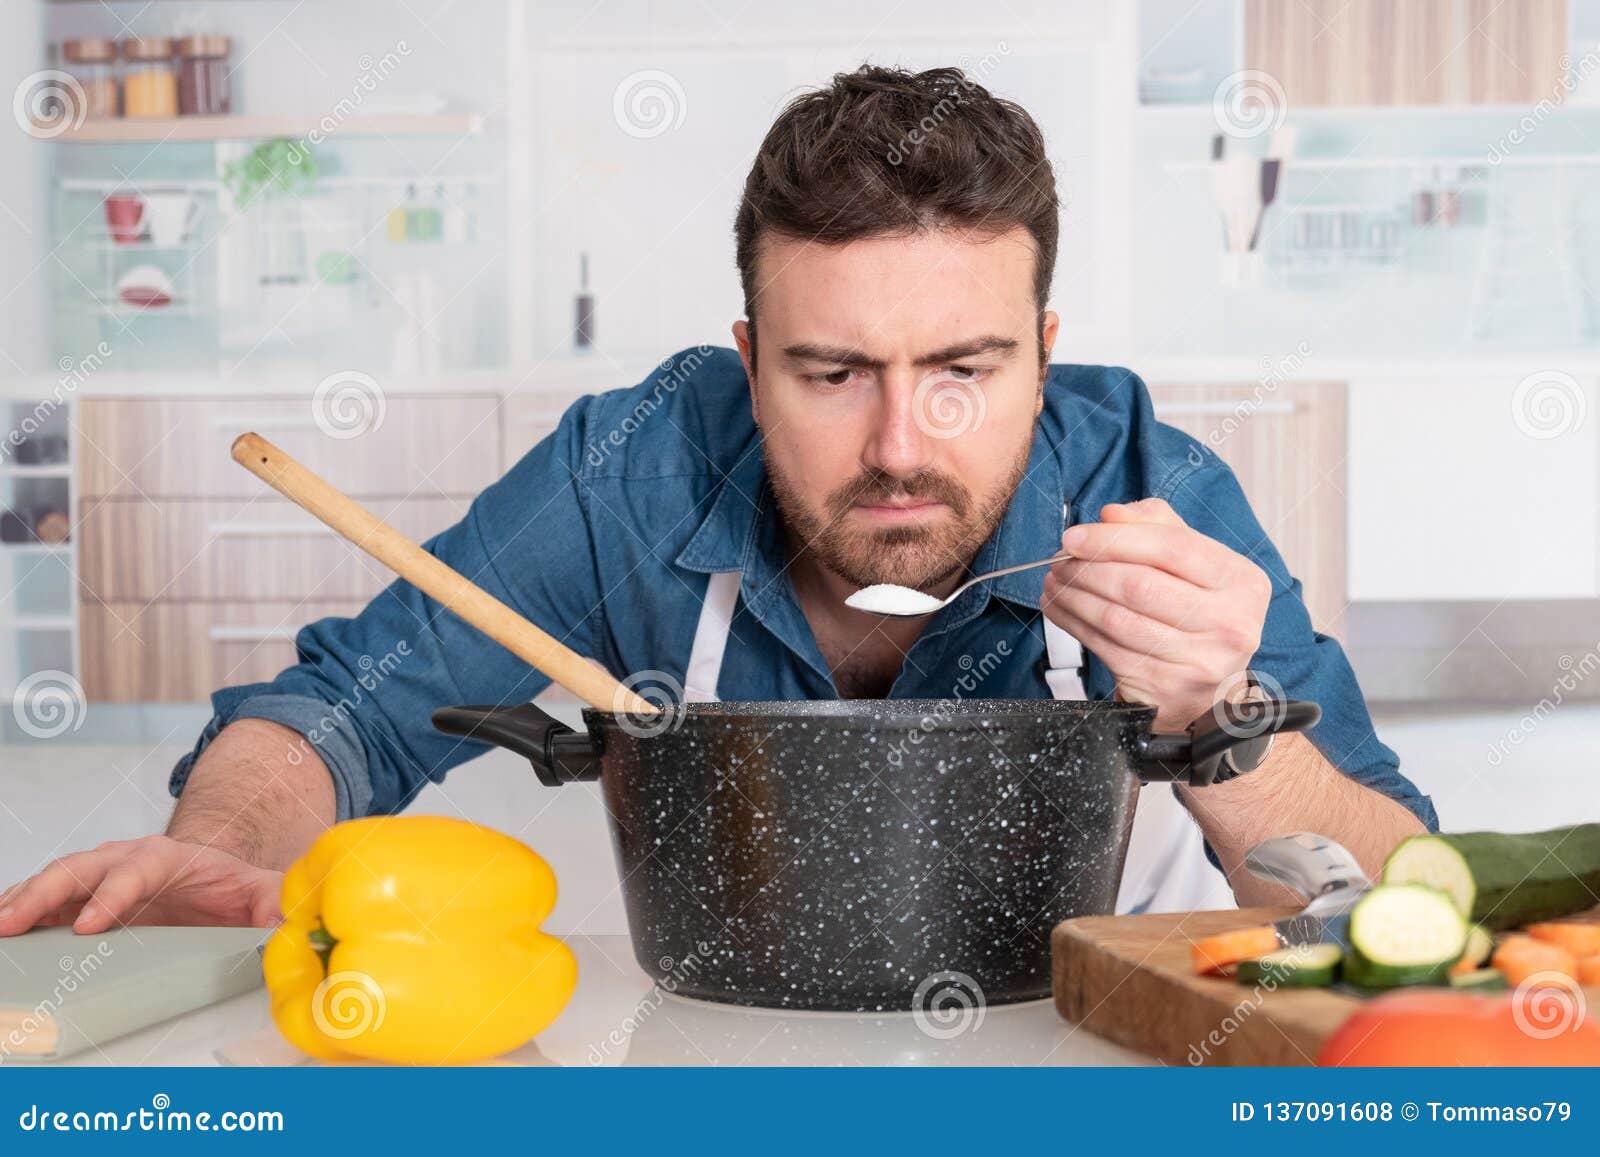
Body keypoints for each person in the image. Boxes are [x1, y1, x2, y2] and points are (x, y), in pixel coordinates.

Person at [0, 65, 1433, 939]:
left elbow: (1391, 890)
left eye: (963, 370)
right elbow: (345, 707)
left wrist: (1227, 725)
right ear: (748, 365)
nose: (899, 446)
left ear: (1044, 356)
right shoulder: (633, 467)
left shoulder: (1149, 486)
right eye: (831, 372)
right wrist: (220, 850)